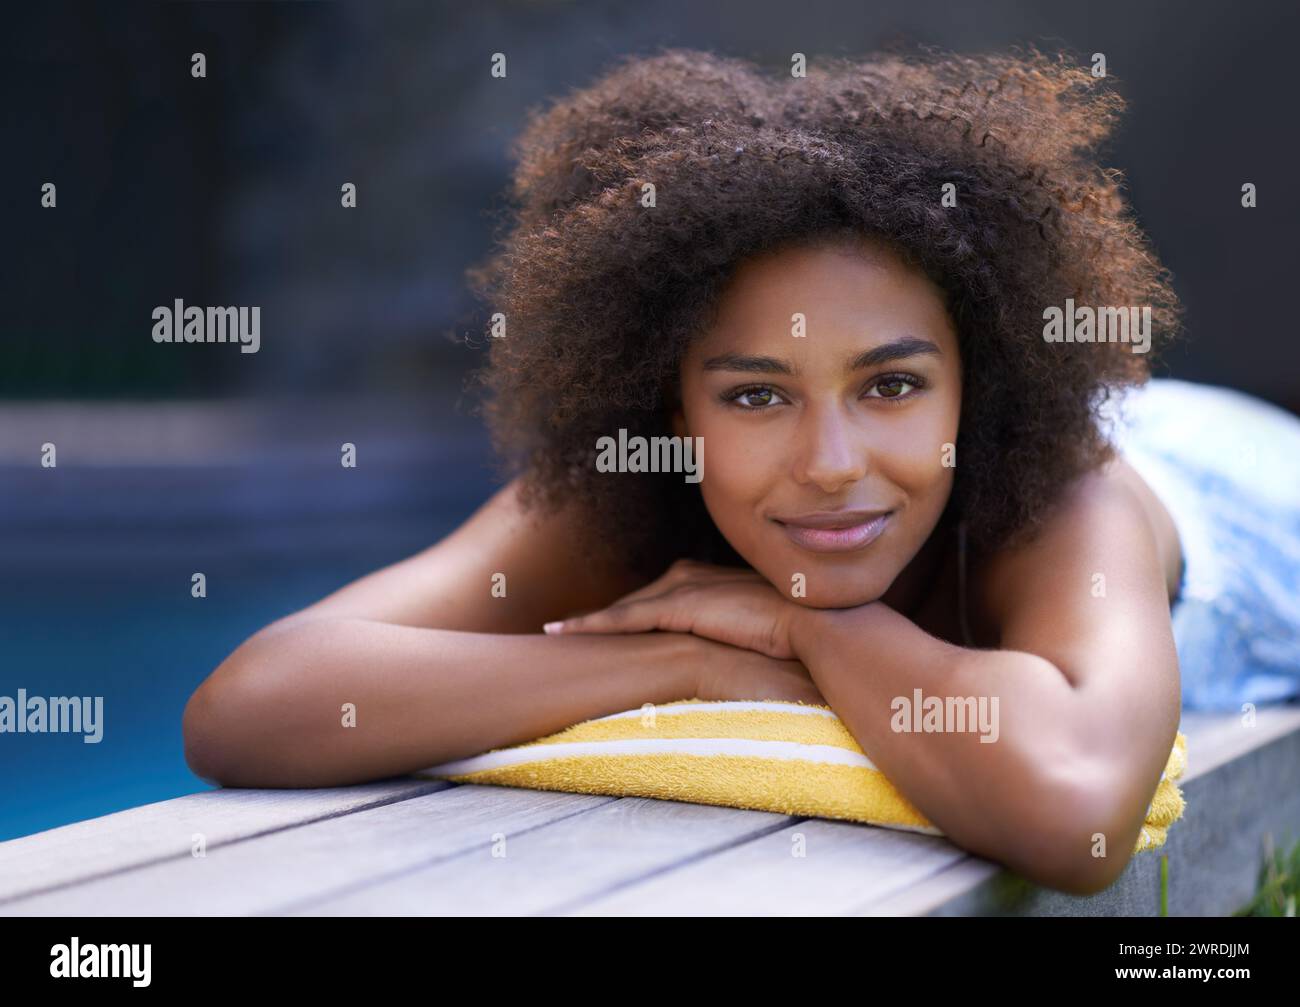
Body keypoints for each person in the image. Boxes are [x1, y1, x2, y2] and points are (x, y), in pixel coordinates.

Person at [182, 47, 1299, 895]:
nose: (828, 464)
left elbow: (1078, 809)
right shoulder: (634, 489)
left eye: (893, 384)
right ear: (677, 405)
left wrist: (806, 628)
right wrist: (680, 661)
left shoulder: (1067, 492)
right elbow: (255, 701)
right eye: (756, 395)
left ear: (979, 383)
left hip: (1239, 479)